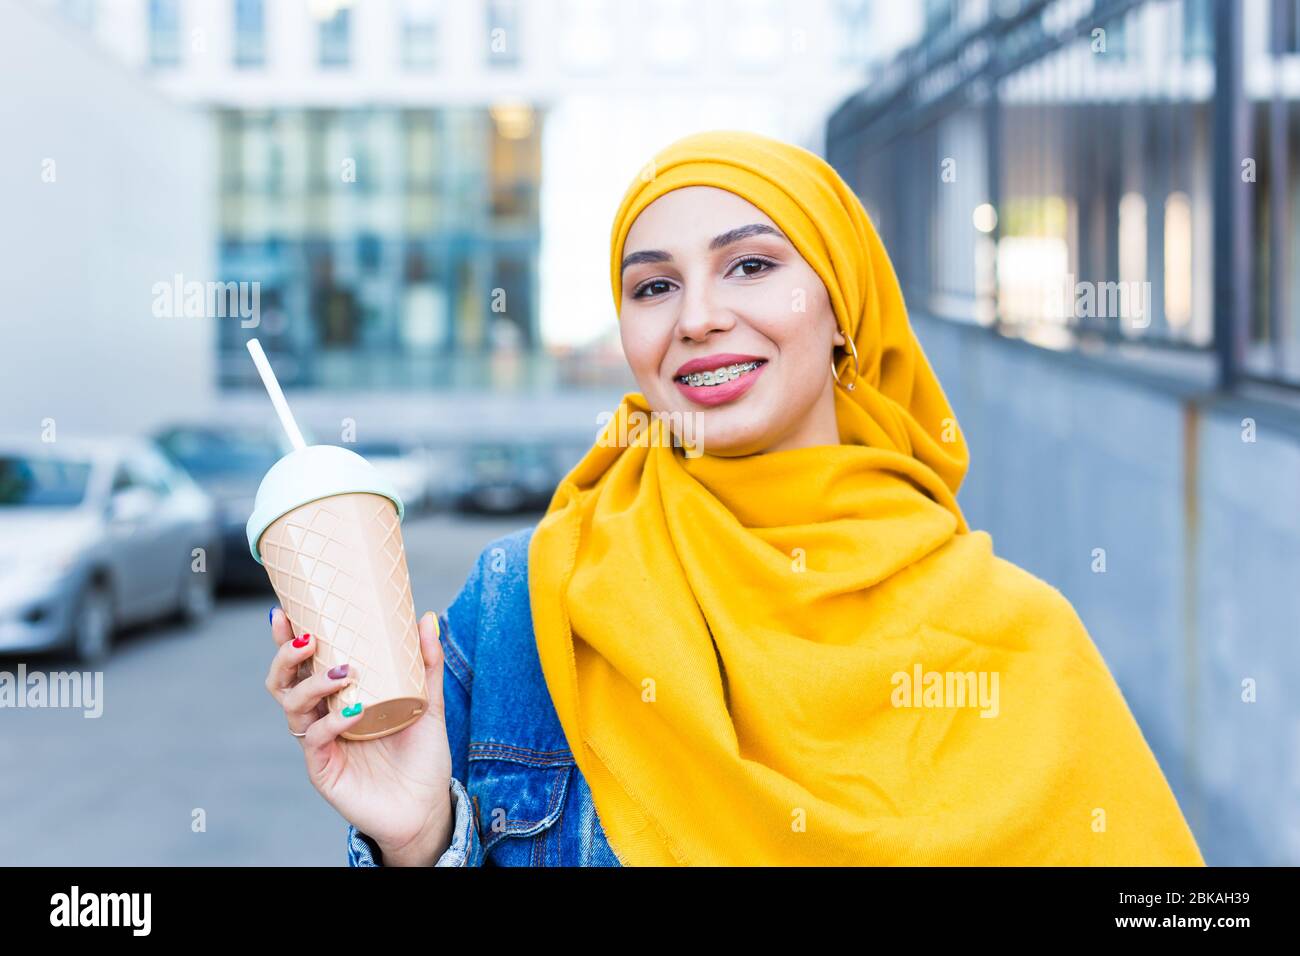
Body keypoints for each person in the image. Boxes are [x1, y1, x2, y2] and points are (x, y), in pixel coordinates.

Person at [265, 129, 1205, 866]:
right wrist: (420, 840)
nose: (699, 316)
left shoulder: (1020, 642)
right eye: (654, 285)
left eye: (751, 265)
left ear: (842, 308)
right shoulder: (520, 610)